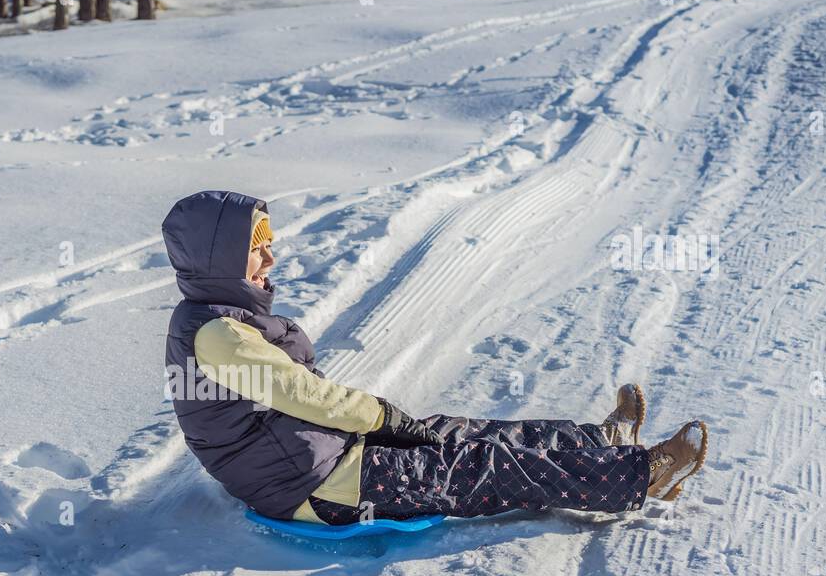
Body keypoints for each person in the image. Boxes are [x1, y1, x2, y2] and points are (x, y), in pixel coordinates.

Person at [162, 190, 707, 525]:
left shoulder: (218, 318)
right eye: (257, 246)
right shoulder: (217, 335)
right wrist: (381, 417)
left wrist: (385, 425)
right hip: (318, 486)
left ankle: (601, 442)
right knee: (482, 468)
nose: (271, 256)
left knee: (459, 431)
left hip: (318, 455)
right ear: (222, 257)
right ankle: (638, 477)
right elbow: (304, 395)